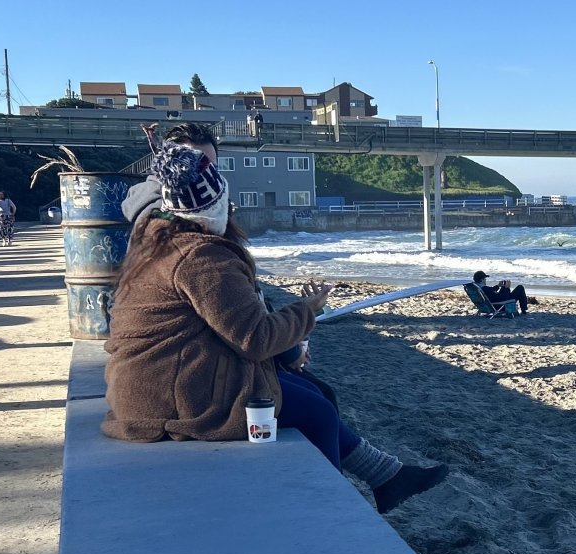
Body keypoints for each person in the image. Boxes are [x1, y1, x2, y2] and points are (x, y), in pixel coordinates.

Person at [104, 122, 447, 514]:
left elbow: (230, 318)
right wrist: (307, 311)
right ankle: (330, 512)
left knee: (315, 394)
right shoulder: (199, 256)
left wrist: (288, 345)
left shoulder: (159, 237)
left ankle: (385, 477)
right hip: (173, 398)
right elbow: (253, 338)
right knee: (317, 412)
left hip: (154, 382)